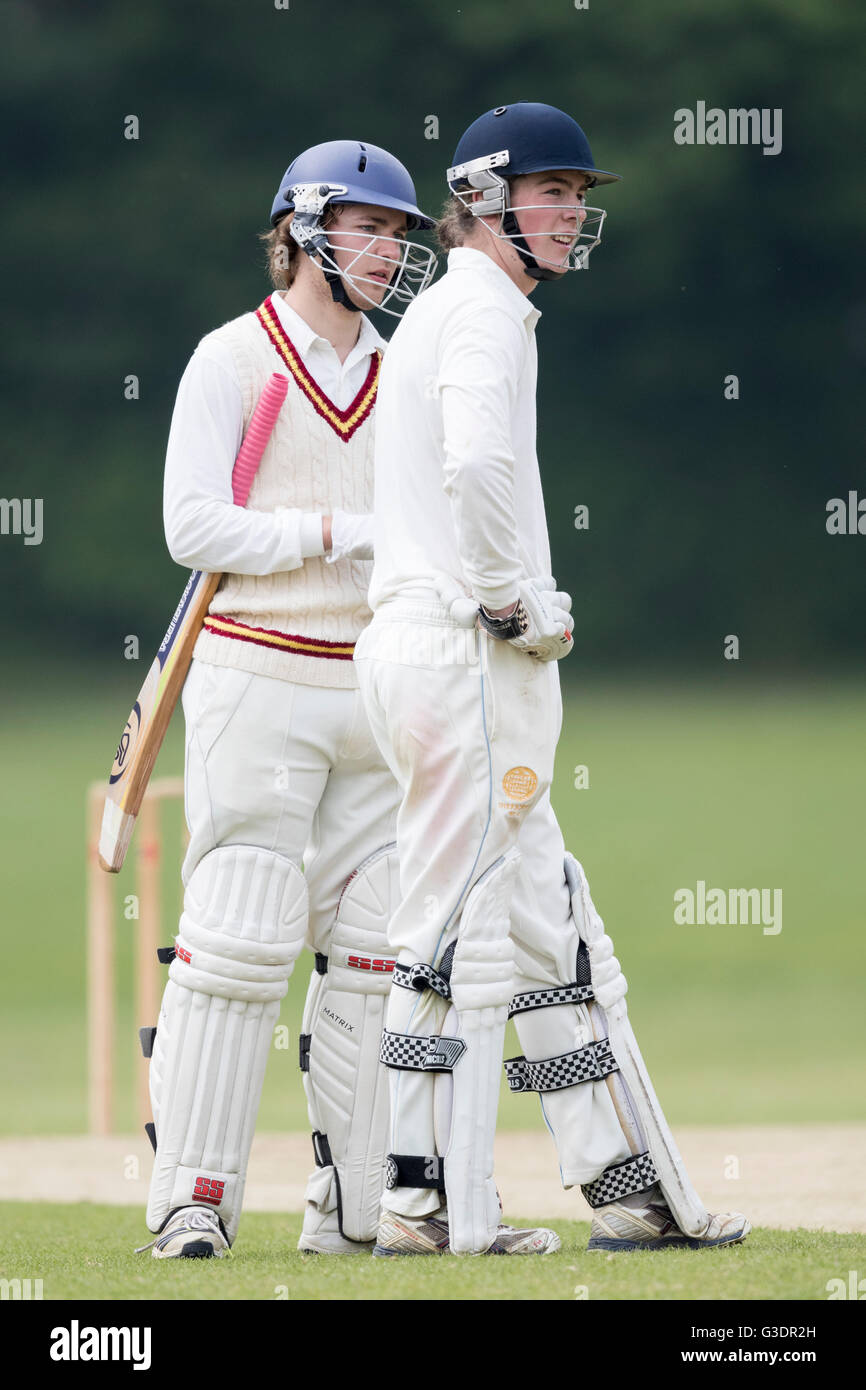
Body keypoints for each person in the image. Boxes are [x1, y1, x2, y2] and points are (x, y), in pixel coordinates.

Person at [354, 101, 751, 1256]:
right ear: (483, 199)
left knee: (548, 928)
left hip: (431, 651)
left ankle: (628, 1189)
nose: (573, 215)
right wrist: (508, 598)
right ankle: (425, 1205)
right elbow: (474, 463)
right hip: (463, 652)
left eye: (579, 197)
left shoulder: (448, 311)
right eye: (552, 193)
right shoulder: (479, 311)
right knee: (452, 924)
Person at [137, 140, 437, 1258]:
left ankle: (355, 1211)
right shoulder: (231, 359)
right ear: (304, 228)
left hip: (376, 683)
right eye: (367, 227)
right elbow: (191, 527)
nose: (388, 252)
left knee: (371, 947)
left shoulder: (404, 372)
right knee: (240, 937)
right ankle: (193, 1201)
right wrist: (330, 531)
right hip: (256, 671)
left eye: (400, 233)